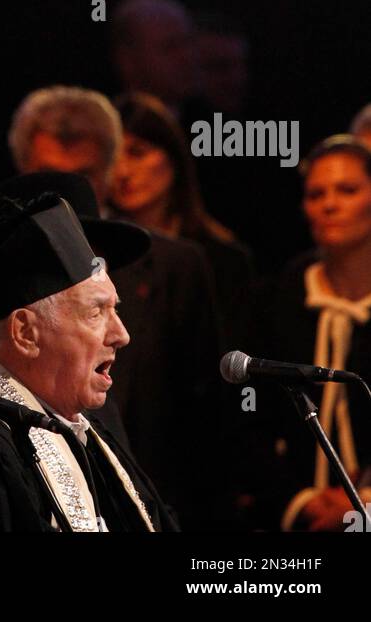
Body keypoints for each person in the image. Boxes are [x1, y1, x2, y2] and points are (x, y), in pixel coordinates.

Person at [6, 83, 225, 528]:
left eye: (81, 175)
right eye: (49, 177)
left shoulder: (174, 265)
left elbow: (209, 421)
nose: (62, 199)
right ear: (21, 170)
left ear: (110, 170)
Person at [0, 190, 174, 531]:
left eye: (115, 309)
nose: (121, 334)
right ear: (25, 333)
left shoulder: (86, 434)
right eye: (95, 313)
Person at [258, 136, 371, 531]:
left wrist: (364, 502)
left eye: (348, 190)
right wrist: (305, 502)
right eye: (315, 193)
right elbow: (251, 415)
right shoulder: (283, 295)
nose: (329, 204)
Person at [110, 91, 256, 351]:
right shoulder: (96, 254)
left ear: (173, 156)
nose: (122, 171)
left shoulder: (222, 259)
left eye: (137, 152)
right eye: (113, 157)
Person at [110, 0, 201, 117]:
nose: (188, 57)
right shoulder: (102, 131)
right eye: (170, 47)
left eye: (189, 43)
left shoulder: (216, 125)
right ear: (127, 60)